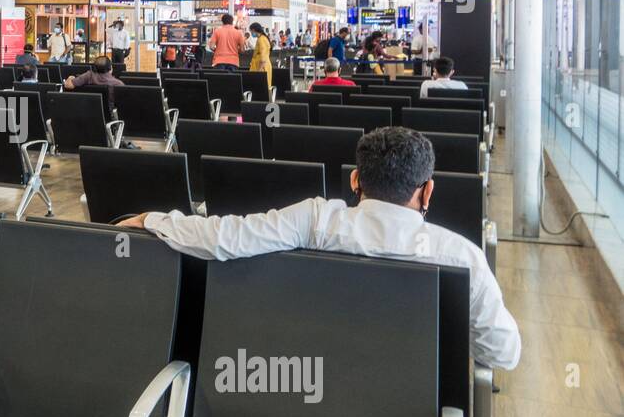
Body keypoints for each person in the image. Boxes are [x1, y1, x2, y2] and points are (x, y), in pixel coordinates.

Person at [119, 127, 521, 370]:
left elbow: (226, 237)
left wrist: (154, 220)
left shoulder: (316, 221)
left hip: (306, 384)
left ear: (354, 181)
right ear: (427, 189)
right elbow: (503, 353)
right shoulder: (460, 256)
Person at [247, 22, 272, 89]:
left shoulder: (261, 39)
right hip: (261, 66)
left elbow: (263, 56)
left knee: (262, 88)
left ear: (254, 30)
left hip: (261, 67)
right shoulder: (262, 38)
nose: (251, 33)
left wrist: (259, 71)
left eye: (251, 31)